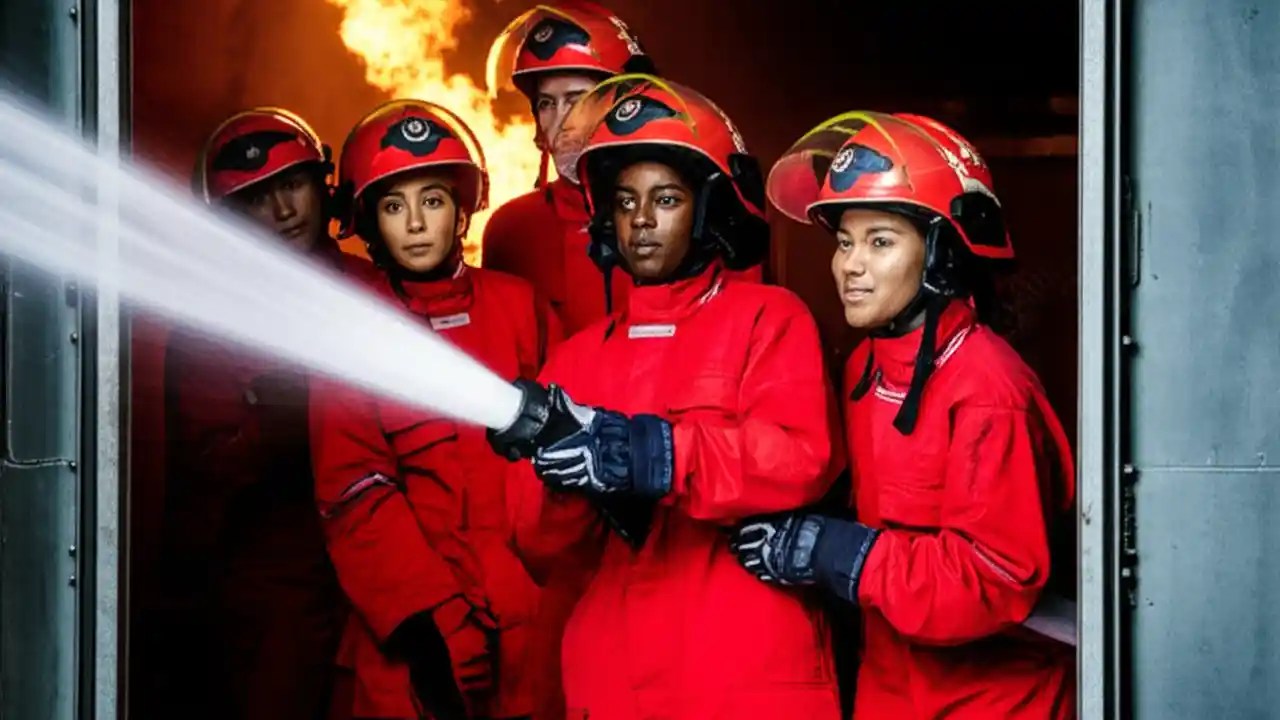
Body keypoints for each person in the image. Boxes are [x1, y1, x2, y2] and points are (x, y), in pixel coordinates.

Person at [488, 76, 841, 720]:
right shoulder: (577, 356)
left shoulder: (770, 318)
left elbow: (800, 458)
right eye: (625, 201)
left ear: (706, 208)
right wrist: (558, 478)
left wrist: (652, 453)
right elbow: (541, 548)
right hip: (612, 676)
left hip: (742, 671)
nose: (642, 220)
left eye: (666, 199)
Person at [730, 112, 1076, 718]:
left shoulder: (988, 386)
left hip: (994, 702)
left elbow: (995, 579)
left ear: (942, 254)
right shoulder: (864, 367)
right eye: (844, 242)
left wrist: (844, 553)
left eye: (880, 241)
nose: (849, 266)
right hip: (891, 689)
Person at [309, 99, 561, 720]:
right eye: (395, 206)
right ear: (369, 220)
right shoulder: (351, 332)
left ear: (463, 210)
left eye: (434, 200)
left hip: (531, 633)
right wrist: (435, 621)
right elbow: (354, 493)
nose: (416, 223)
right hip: (412, 644)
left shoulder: (520, 307)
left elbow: (568, 458)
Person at [158, 107, 368, 720]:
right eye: (255, 199)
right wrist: (280, 428)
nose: (283, 211)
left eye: (293, 184)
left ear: (323, 186)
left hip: (394, 573)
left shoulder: (377, 293)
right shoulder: (207, 325)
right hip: (275, 588)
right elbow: (206, 476)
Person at [481, 1, 654, 334]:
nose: (560, 120)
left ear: (624, 105)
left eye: (576, 99)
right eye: (547, 103)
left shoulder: (672, 212)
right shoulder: (512, 230)